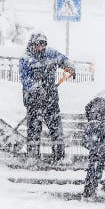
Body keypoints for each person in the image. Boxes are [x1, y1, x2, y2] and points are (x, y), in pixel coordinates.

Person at [19, 32, 75, 161]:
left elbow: (64, 60)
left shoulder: (51, 54)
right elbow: (25, 80)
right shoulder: (26, 58)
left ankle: (59, 157)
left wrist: (71, 66)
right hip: (33, 101)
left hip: (51, 100)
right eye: (39, 44)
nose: (42, 47)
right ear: (32, 44)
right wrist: (37, 89)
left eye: (44, 44)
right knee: (34, 129)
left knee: (56, 129)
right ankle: (33, 156)